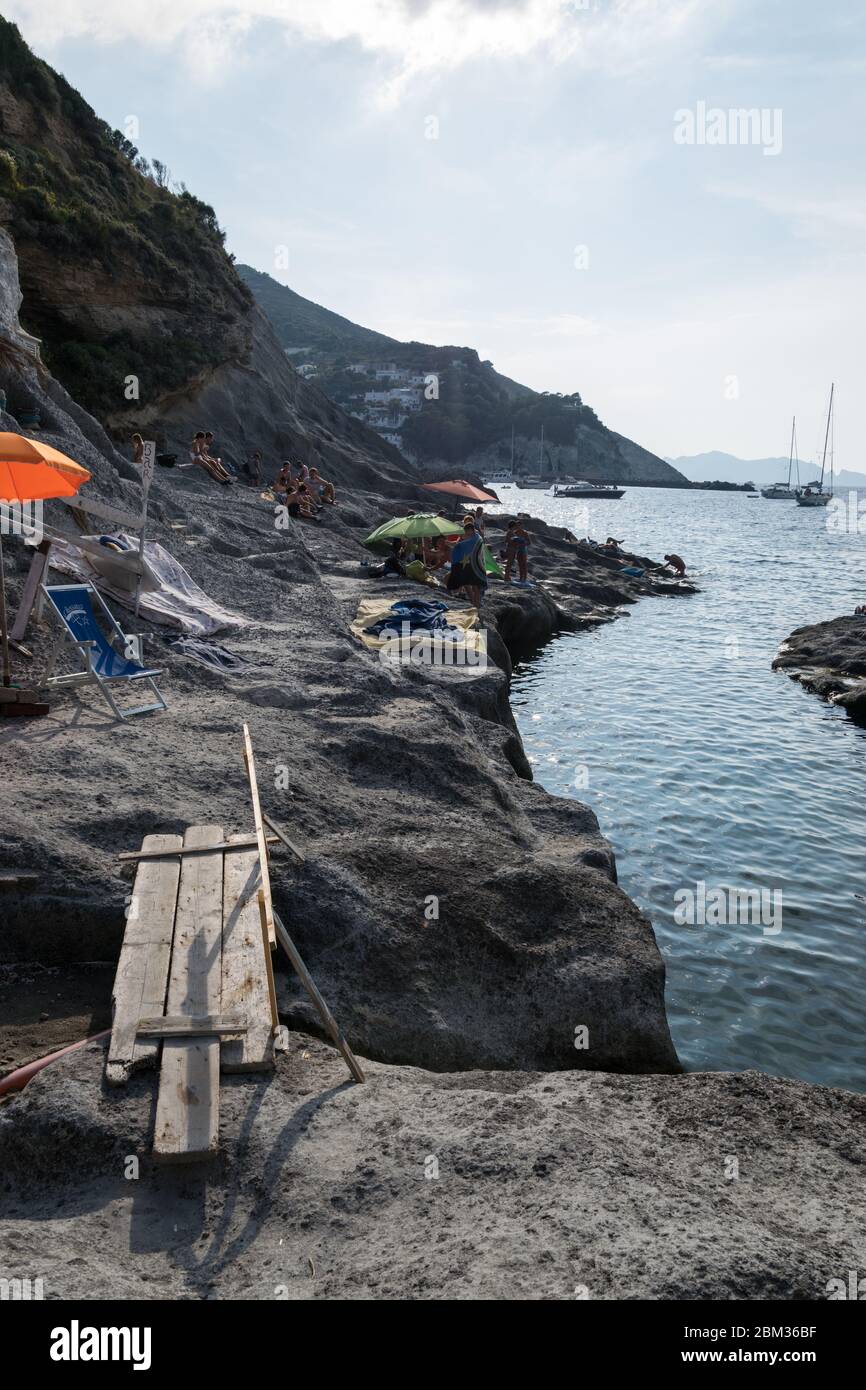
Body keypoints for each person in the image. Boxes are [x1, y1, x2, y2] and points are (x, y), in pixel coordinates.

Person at [447, 520, 487, 608]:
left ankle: (476, 605)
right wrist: (448, 543)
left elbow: (461, 545)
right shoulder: (471, 537)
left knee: (476, 587)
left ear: (472, 530)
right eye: (465, 532)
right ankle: (475, 604)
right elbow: (460, 543)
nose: (466, 534)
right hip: (471, 564)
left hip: (477, 564)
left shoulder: (476, 538)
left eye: (467, 532)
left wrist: (451, 544)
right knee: (473, 585)